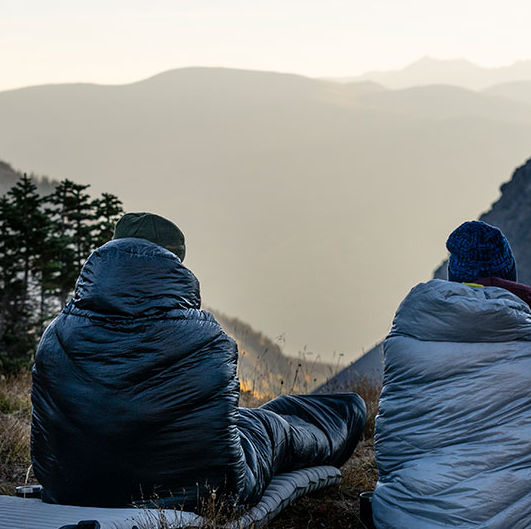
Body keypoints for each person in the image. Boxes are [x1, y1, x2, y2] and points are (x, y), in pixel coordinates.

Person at [30, 212, 367, 509]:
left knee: (257, 421)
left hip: (70, 489)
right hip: (202, 490)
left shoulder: (56, 335)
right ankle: (349, 413)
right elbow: (218, 429)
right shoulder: (207, 339)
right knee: (273, 428)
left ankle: (326, 412)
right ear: (174, 264)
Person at [371, 220, 531, 529]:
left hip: (415, 517)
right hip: (527, 525)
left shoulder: (405, 343)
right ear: (511, 277)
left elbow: (393, 446)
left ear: (454, 278)